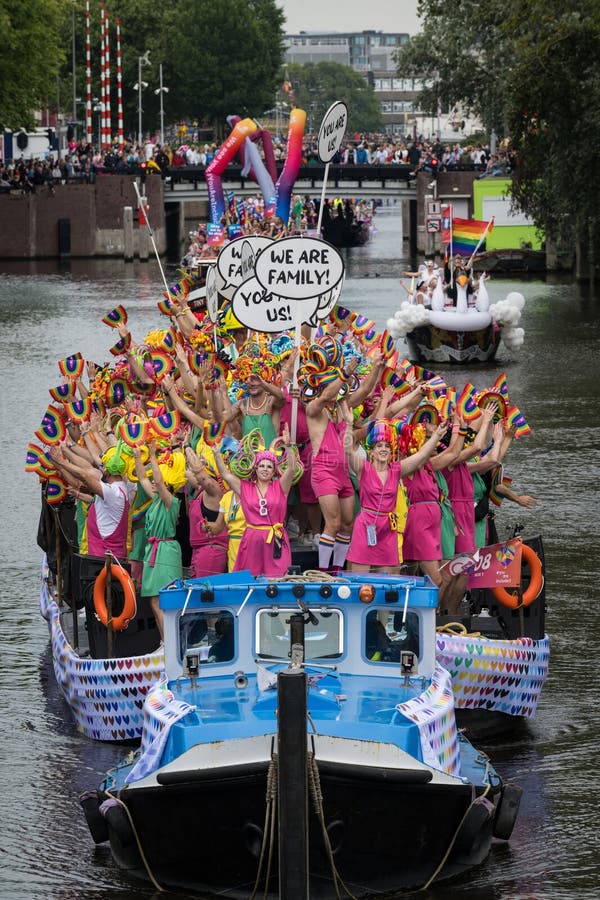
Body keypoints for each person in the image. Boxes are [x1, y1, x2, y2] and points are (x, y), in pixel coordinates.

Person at [345, 418, 448, 574]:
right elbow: (347, 449)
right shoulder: (363, 468)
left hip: (387, 527)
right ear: (371, 450)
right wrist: (348, 423)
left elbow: (421, 456)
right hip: (366, 526)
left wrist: (436, 436)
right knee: (360, 580)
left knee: (388, 583)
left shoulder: (397, 470)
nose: (383, 449)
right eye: (379, 445)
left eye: (387, 445)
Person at [212, 424, 298, 576]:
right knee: (251, 580)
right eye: (261, 466)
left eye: (269, 467)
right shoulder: (245, 487)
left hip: (275, 539)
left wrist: (289, 446)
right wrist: (217, 455)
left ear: (274, 471)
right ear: (255, 469)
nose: (265, 469)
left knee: (277, 580)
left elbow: (291, 469)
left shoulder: (280, 486)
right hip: (252, 540)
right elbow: (226, 475)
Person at [132, 444, 184, 638]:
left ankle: (170, 641)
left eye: (158, 479)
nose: (153, 481)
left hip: (165, 550)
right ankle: (165, 641)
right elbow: (143, 477)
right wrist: (138, 457)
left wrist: (153, 456)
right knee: (153, 601)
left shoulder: (172, 502)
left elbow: (159, 481)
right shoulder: (155, 500)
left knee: (163, 600)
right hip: (152, 550)